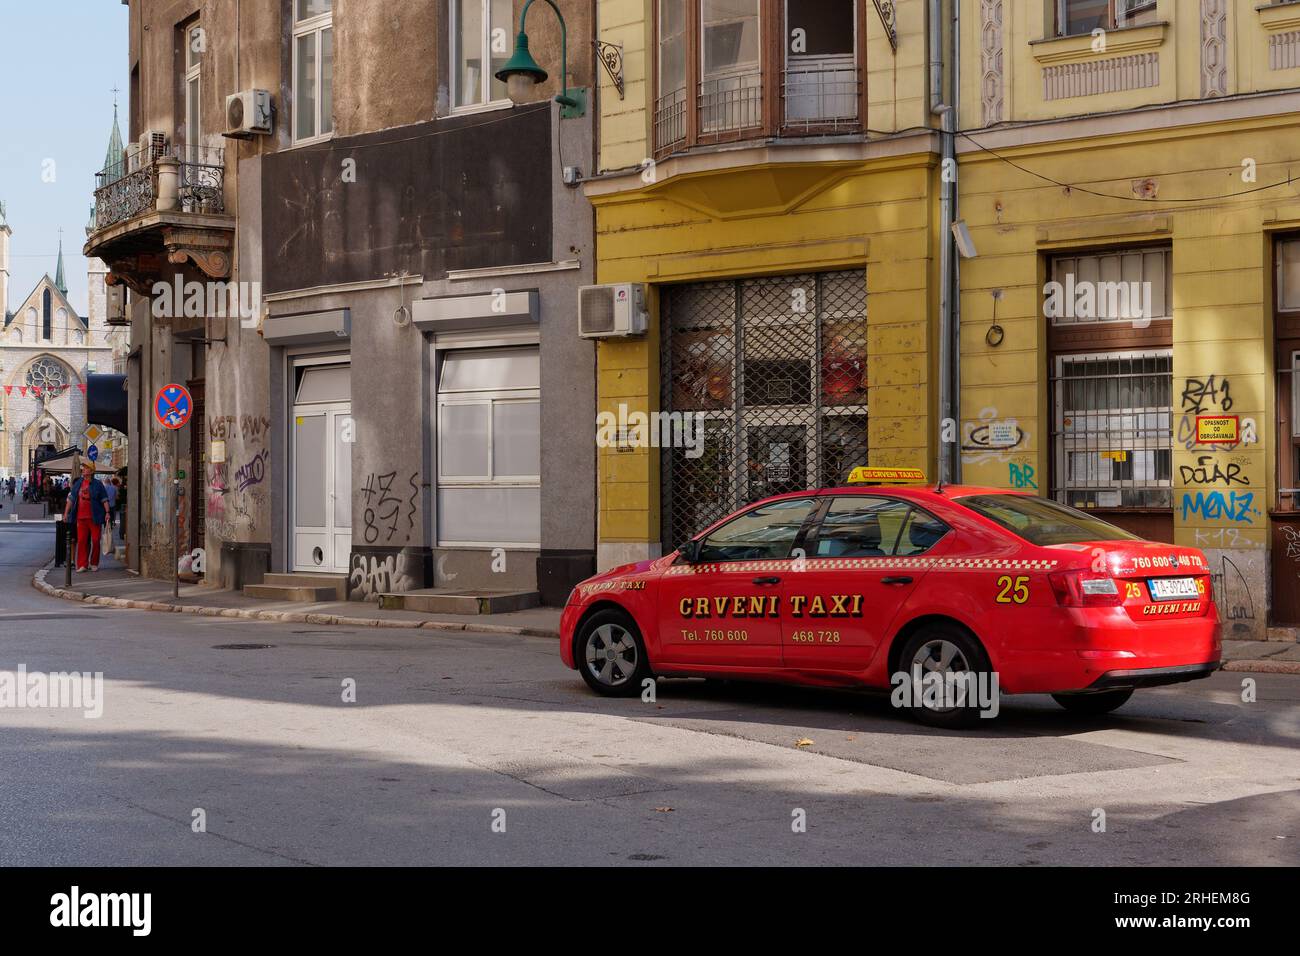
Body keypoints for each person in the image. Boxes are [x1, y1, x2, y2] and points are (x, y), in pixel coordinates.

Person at [64, 463, 110, 572]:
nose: (84, 469)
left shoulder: (98, 484)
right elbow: (71, 499)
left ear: (92, 471)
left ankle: (94, 563)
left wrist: (107, 512)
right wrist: (66, 513)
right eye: (83, 468)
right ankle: (82, 564)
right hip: (81, 517)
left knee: (95, 540)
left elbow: (104, 499)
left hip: (95, 517)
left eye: (86, 468)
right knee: (82, 541)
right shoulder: (78, 483)